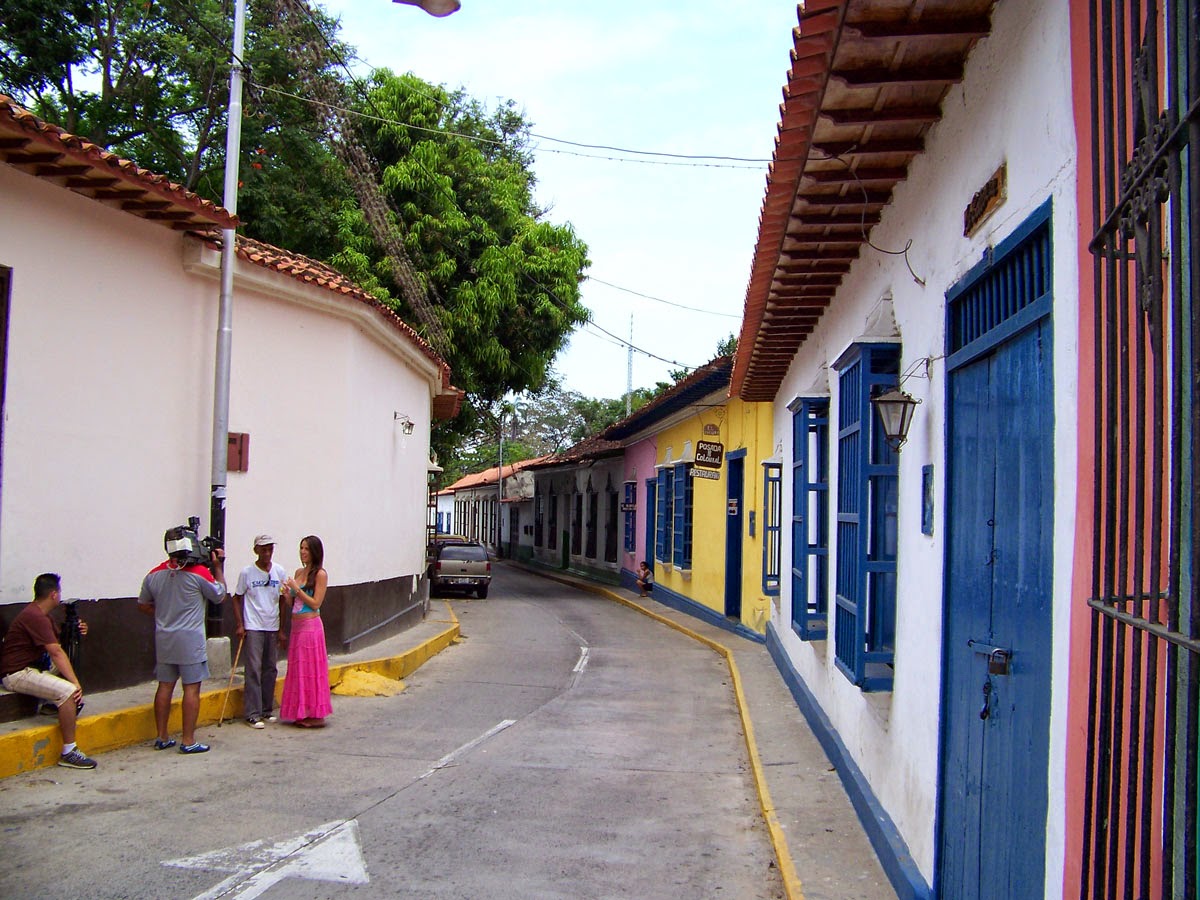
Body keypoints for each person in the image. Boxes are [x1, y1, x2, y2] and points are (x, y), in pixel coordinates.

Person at [138, 524, 226, 754]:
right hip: (190, 641)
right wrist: (218, 567)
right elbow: (219, 595)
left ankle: (162, 736)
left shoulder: (154, 575)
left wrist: (162, 613)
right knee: (191, 690)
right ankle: (188, 740)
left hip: (165, 639)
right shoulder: (199, 573)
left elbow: (143, 604)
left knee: (165, 687)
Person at [0, 574, 96, 769]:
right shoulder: (34, 617)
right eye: (59, 592)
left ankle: (50, 705)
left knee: (65, 670)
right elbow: (56, 652)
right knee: (67, 692)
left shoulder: (40, 615)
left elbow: (59, 642)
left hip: (33, 667)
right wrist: (75, 684)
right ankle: (69, 751)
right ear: (53, 594)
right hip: (17, 674)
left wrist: (79, 629)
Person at [232, 534, 288, 729]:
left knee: (270, 668)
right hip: (254, 626)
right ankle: (252, 713)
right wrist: (240, 624)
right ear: (256, 550)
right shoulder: (247, 573)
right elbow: (237, 598)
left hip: (272, 626)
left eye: (270, 549)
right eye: (263, 549)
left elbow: (282, 599)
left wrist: (281, 629)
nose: (267, 553)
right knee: (253, 669)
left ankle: (266, 709)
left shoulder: (279, 571)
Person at [279, 535, 332, 728]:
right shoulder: (299, 572)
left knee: (310, 669)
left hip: (310, 628)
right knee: (298, 669)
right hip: (297, 627)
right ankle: (301, 710)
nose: (303, 552)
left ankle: (314, 712)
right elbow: (294, 603)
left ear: (315, 552)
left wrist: (297, 590)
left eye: (307, 549)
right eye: (301, 548)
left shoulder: (320, 575)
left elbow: (316, 603)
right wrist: (287, 594)